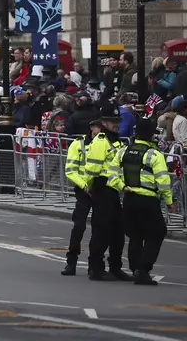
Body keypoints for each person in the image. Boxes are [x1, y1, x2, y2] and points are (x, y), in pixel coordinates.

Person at [115, 118, 173, 285]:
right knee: (157, 232)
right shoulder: (154, 154)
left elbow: (111, 174)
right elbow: (163, 181)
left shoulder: (123, 151)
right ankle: (143, 268)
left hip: (129, 198)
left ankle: (135, 268)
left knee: (135, 235)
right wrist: (169, 202)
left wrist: (122, 186)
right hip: (148, 200)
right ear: (151, 134)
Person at [85, 113, 131, 281]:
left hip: (114, 188)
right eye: (112, 122)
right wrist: (89, 187)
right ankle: (95, 268)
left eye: (117, 122)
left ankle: (115, 267)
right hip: (102, 187)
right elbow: (92, 168)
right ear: (104, 123)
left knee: (117, 231)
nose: (115, 124)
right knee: (102, 230)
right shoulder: (101, 141)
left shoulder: (116, 141)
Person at [62, 116, 103, 275]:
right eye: (99, 127)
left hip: (101, 189)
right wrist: (84, 185)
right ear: (92, 127)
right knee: (79, 226)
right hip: (83, 190)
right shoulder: (78, 144)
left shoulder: (106, 143)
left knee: (99, 228)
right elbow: (70, 171)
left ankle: (94, 264)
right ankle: (71, 262)